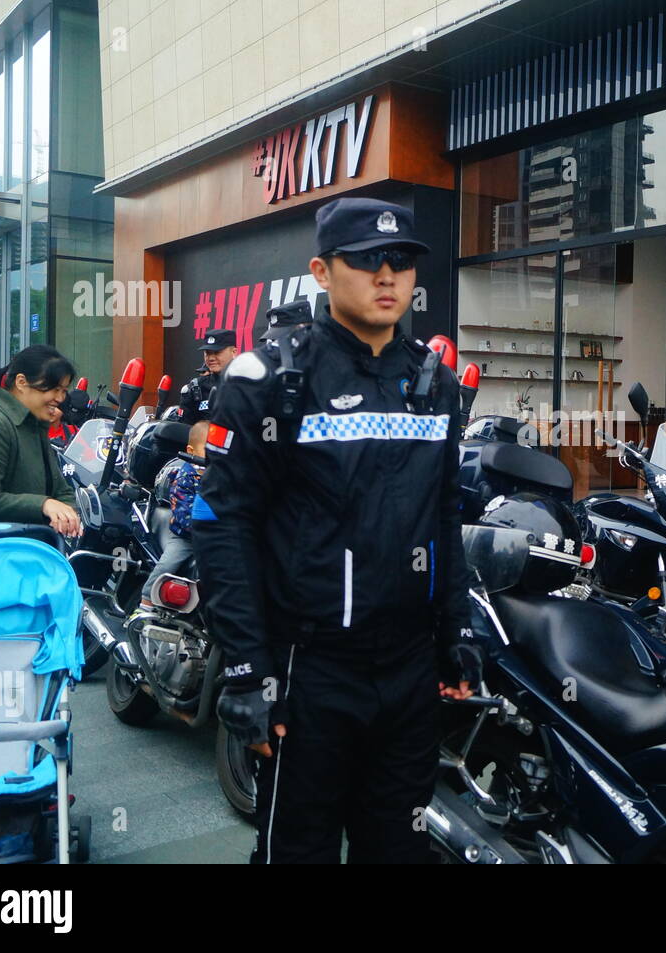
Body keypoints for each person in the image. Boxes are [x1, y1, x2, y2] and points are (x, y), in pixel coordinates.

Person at [192, 197, 478, 864]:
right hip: (308, 670)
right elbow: (221, 521)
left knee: (399, 850)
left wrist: (457, 630)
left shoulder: (432, 383)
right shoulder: (270, 379)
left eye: (402, 260)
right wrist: (245, 671)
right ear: (322, 270)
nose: (388, 275)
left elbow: (444, 515)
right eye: (367, 260)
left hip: (408, 674)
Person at [0, 346, 82, 538]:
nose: (59, 398)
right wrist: (43, 504)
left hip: (33, 549)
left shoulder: (34, 423)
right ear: (21, 382)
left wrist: (70, 513)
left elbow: (58, 487)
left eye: (64, 391)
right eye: (54, 389)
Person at [138, 421, 208, 609]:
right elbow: (185, 513)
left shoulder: (223, 477)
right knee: (167, 565)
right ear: (191, 450)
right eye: (207, 450)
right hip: (186, 537)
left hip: (215, 538)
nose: (213, 457)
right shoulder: (186, 477)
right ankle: (145, 604)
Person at [178, 332, 239, 424]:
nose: (210, 358)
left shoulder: (249, 386)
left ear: (234, 352)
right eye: (207, 353)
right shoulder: (195, 388)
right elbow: (184, 430)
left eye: (217, 352)